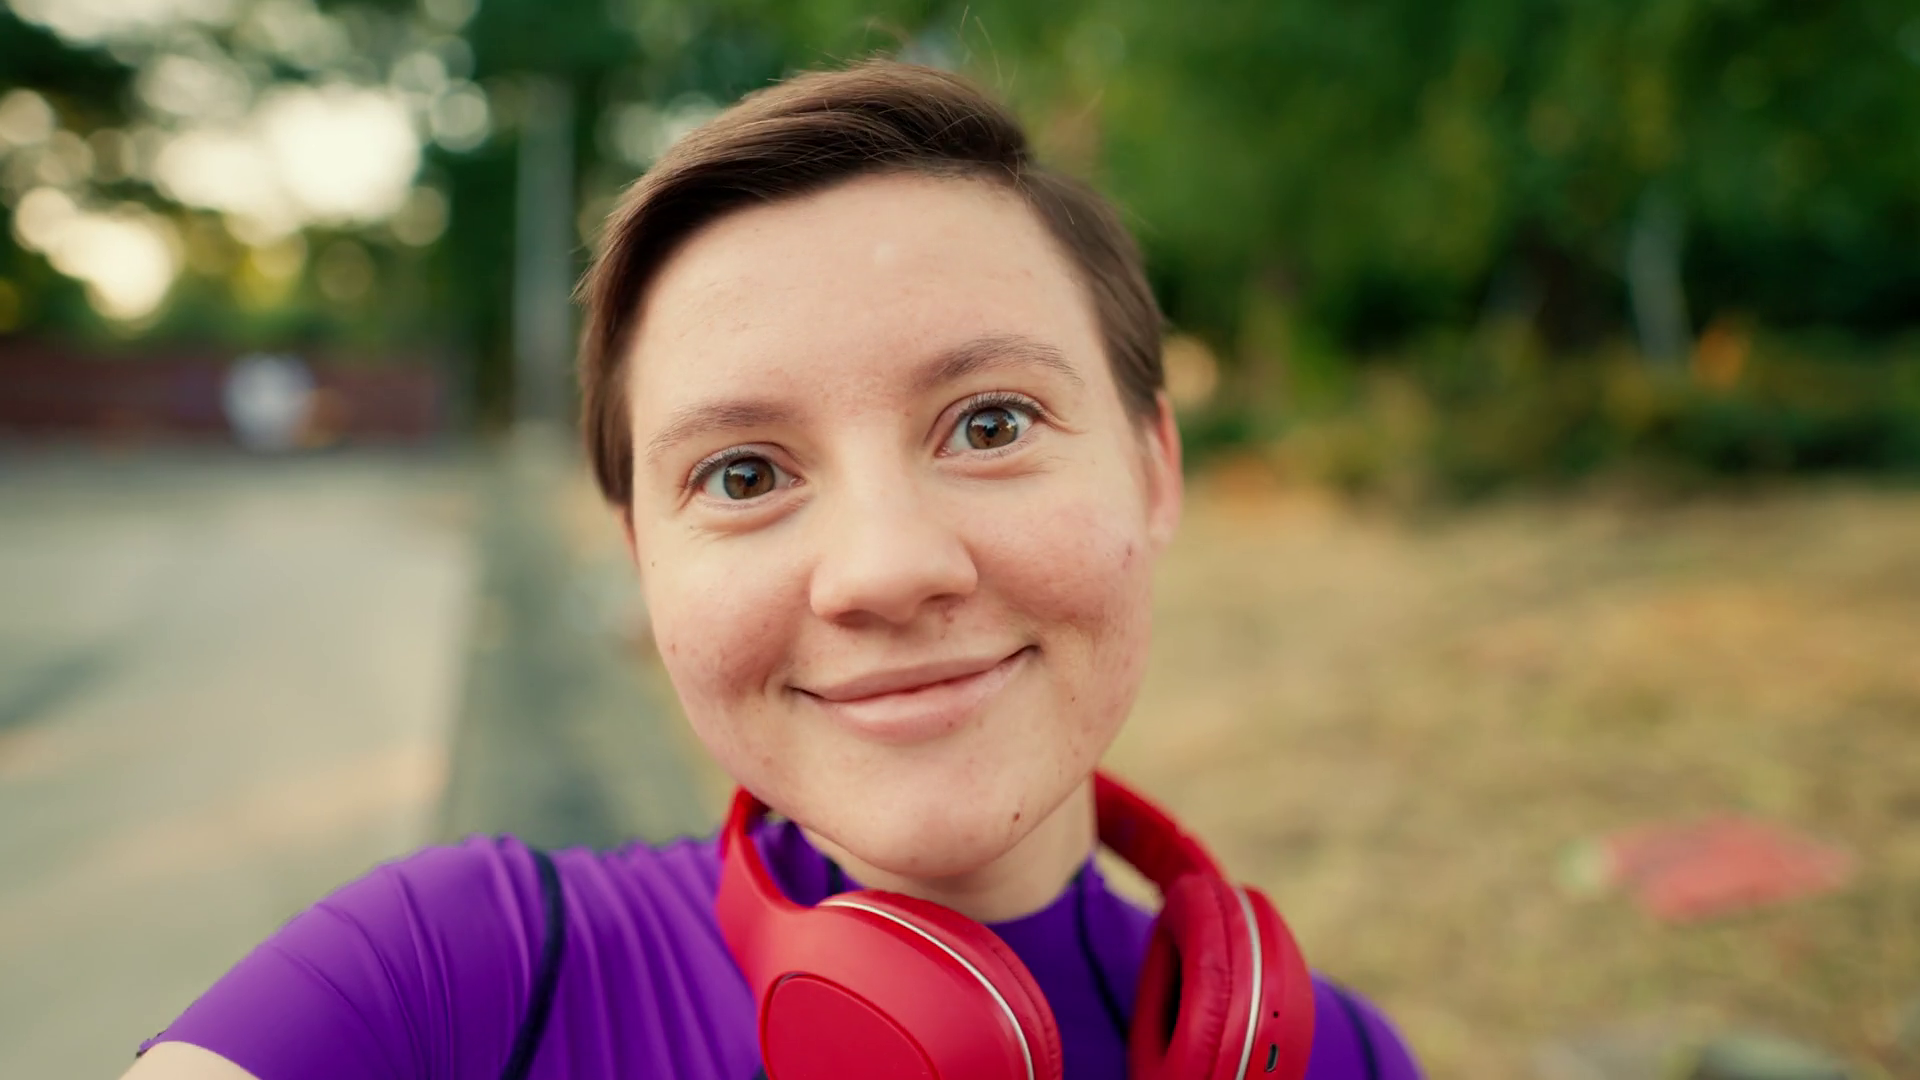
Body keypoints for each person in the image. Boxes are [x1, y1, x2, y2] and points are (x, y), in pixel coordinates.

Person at [124, 60, 1423, 1080]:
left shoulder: (1341, 1061)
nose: (885, 569)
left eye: (991, 423)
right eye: (743, 475)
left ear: (1152, 470)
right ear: (645, 561)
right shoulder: (447, 983)